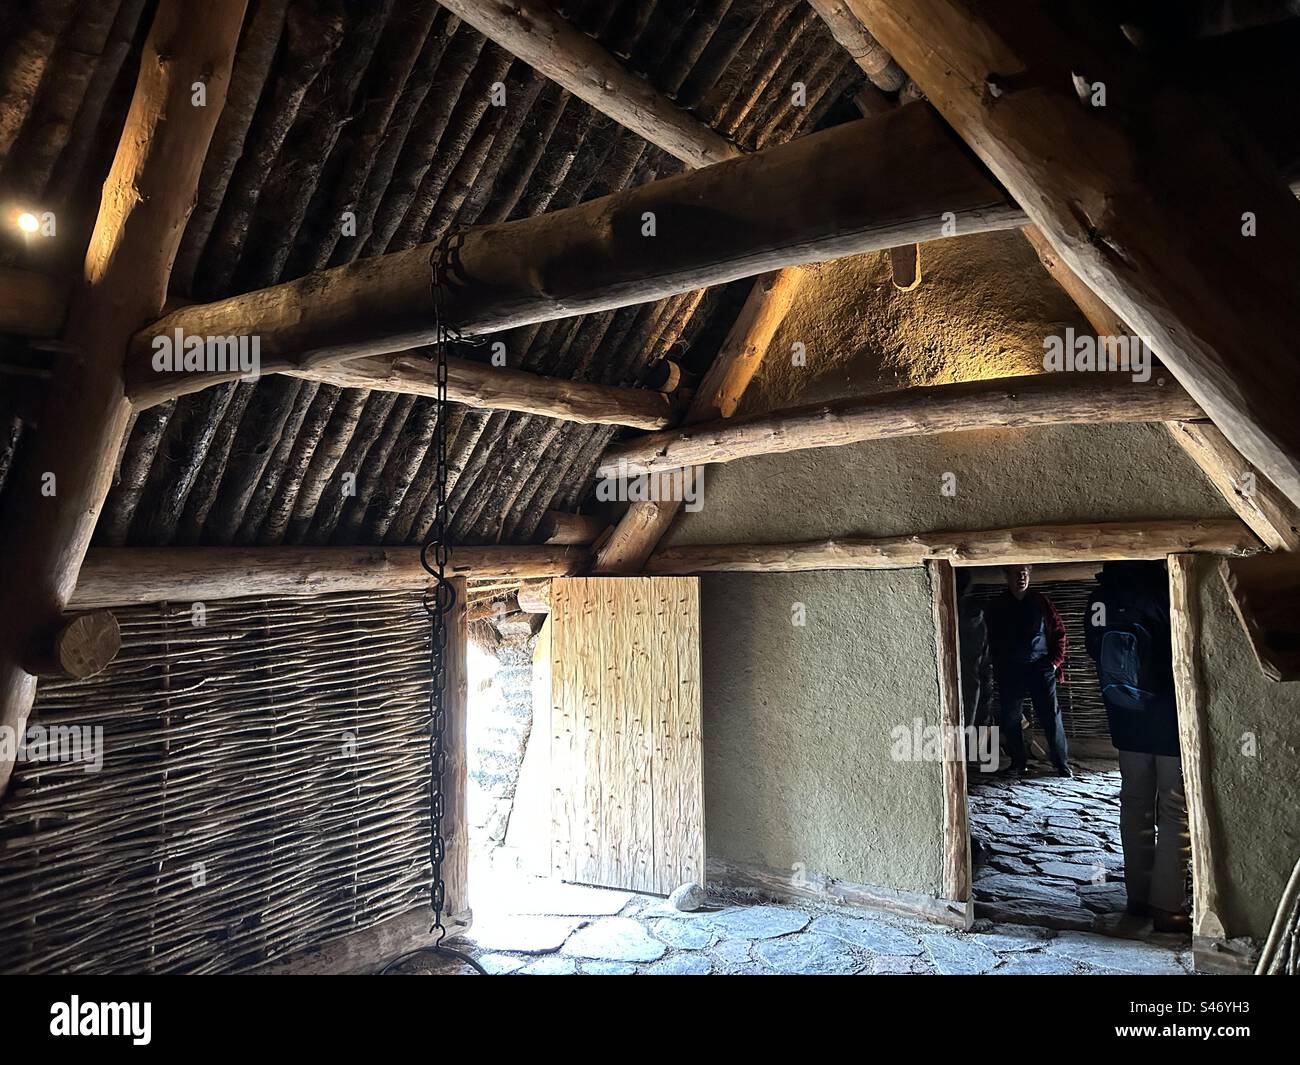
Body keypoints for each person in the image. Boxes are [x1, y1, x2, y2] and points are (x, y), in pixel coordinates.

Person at [1085, 560, 1190, 933]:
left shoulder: (1100, 598)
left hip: (1125, 718)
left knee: (1134, 805)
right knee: (1175, 809)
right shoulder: (1166, 591)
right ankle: (1169, 907)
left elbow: (1092, 649)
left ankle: (1138, 897)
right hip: (1169, 718)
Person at [987, 563, 1071, 776]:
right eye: (1016, 573)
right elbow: (991, 639)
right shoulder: (999, 605)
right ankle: (1018, 762)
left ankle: (1061, 763)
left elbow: (1059, 632)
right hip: (1011, 670)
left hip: (1040, 667)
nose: (1021, 577)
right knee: (1011, 717)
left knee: (1051, 716)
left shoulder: (1041, 602)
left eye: (1024, 573)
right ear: (1007, 575)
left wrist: (1054, 663)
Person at [955, 570, 995, 730]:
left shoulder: (973, 618)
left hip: (969, 682)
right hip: (971, 682)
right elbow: (985, 664)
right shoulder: (975, 618)